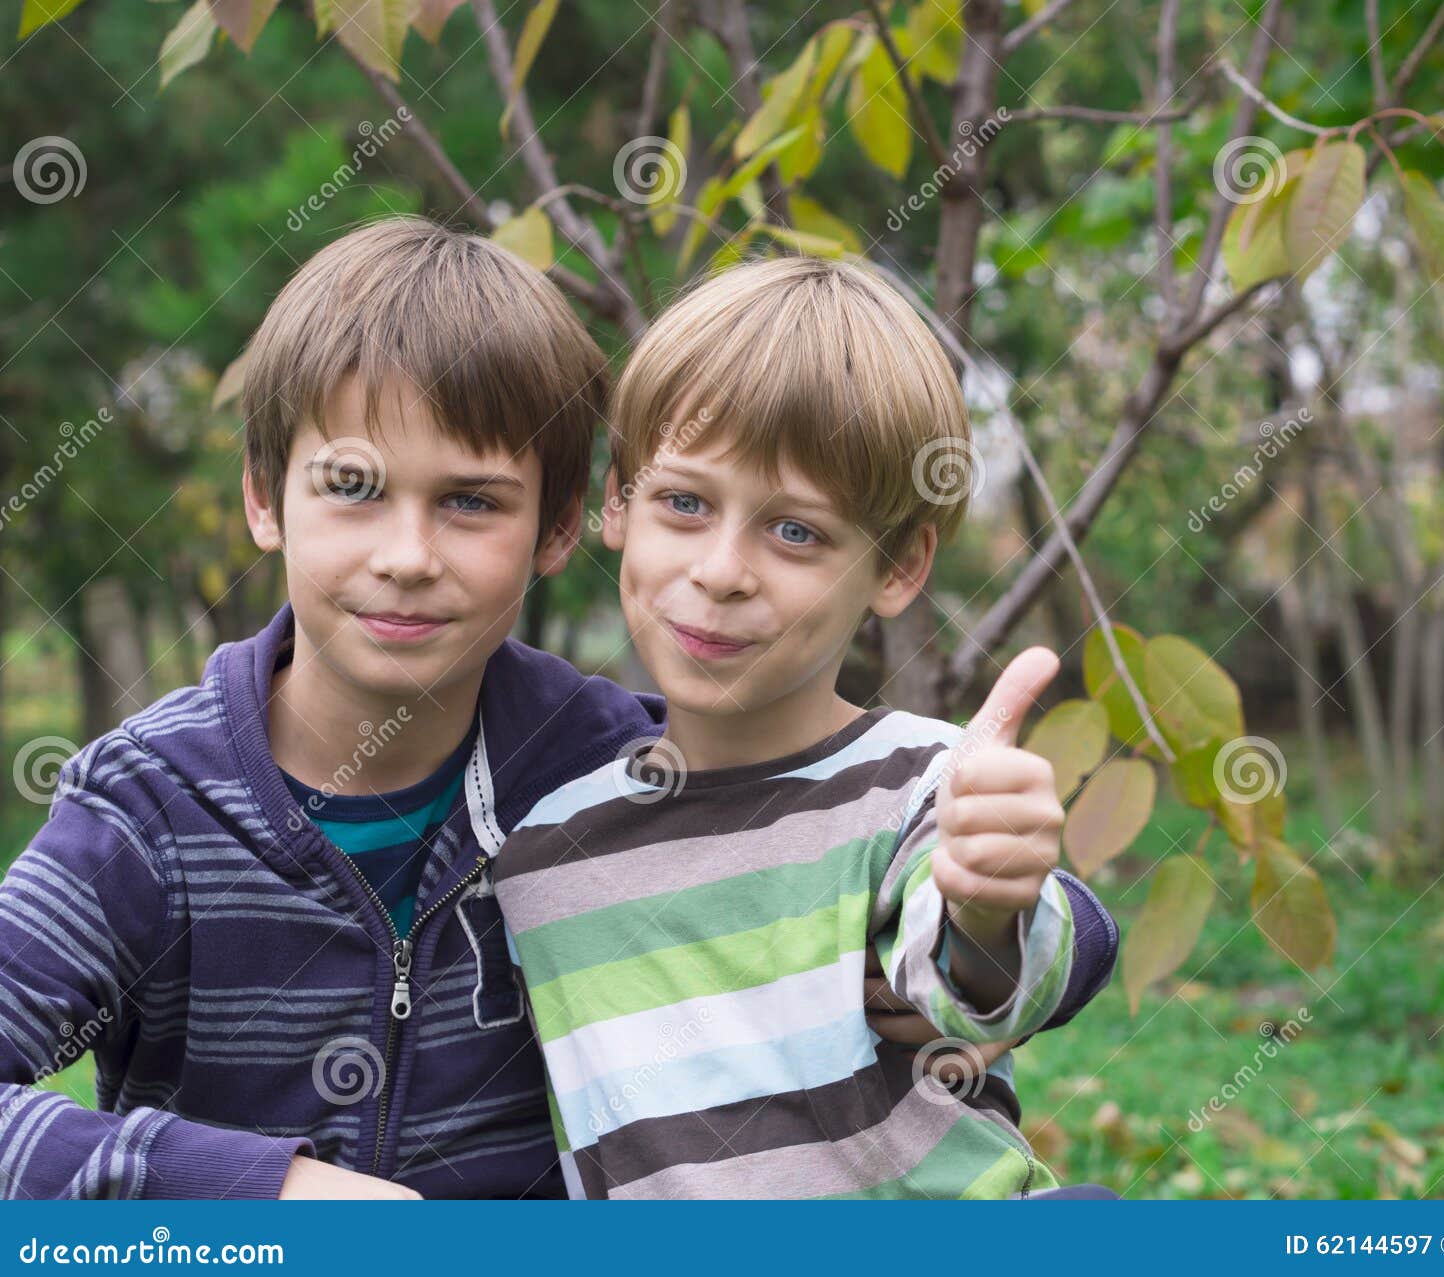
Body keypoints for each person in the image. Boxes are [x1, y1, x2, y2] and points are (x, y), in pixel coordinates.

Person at [0, 219, 1116, 1200]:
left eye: (471, 503)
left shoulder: (609, 766)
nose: (405, 557)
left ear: (561, 529)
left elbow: (908, 855)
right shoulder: (148, 808)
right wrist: (264, 1192)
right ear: (262, 495)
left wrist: (985, 921)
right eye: (351, 486)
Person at [496, 256, 1114, 1199]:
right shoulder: (540, 849)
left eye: (796, 533)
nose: (722, 571)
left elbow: (976, 973)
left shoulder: (917, 786)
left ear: (900, 566)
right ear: (617, 502)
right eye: (685, 504)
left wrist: (990, 903)